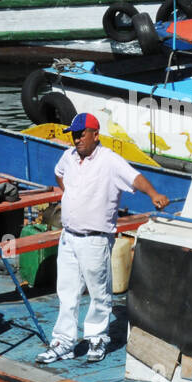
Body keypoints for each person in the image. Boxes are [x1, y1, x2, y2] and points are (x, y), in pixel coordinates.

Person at [38, 112, 170, 364]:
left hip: (95, 239)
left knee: (99, 292)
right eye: (74, 135)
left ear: (95, 135)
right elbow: (59, 173)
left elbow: (135, 178)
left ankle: (97, 339)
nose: (76, 139)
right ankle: (63, 342)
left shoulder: (110, 161)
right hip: (69, 237)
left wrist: (153, 194)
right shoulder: (68, 156)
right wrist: (71, 195)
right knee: (66, 291)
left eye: (81, 134)